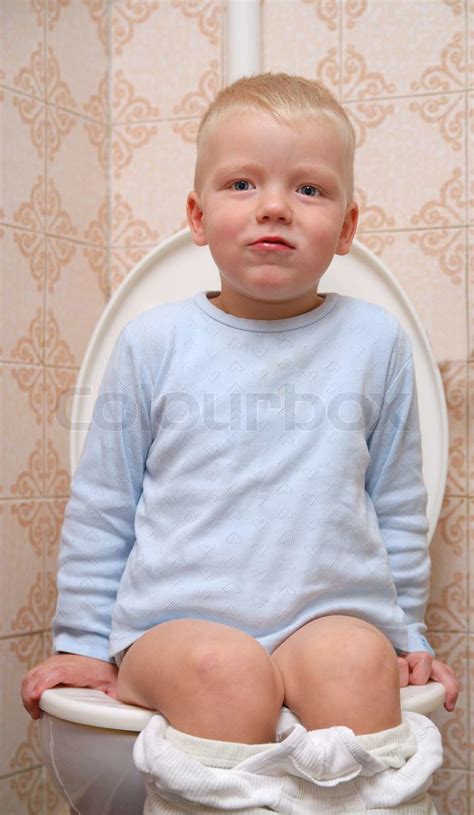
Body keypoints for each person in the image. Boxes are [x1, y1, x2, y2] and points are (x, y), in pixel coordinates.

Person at [21, 73, 459, 813]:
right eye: (242, 183)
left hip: (329, 614)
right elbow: (104, 508)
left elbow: (397, 502)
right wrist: (83, 643)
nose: (275, 206)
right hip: (177, 624)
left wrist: (406, 633)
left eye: (311, 190)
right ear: (197, 215)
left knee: (359, 664)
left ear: (348, 228)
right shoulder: (153, 342)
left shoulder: (374, 340)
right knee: (226, 670)